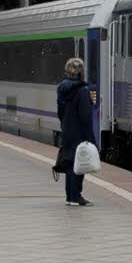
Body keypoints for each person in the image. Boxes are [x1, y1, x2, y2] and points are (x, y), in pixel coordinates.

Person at [55, 57, 94, 207]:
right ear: (81, 72)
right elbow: (85, 117)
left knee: (70, 162)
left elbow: (60, 112)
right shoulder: (82, 91)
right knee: (79, 163)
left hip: (67, 130)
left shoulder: (62, 89)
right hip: (79, 133)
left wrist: (65, 125)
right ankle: (76, 196)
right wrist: (91, 138)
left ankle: (70, 196)